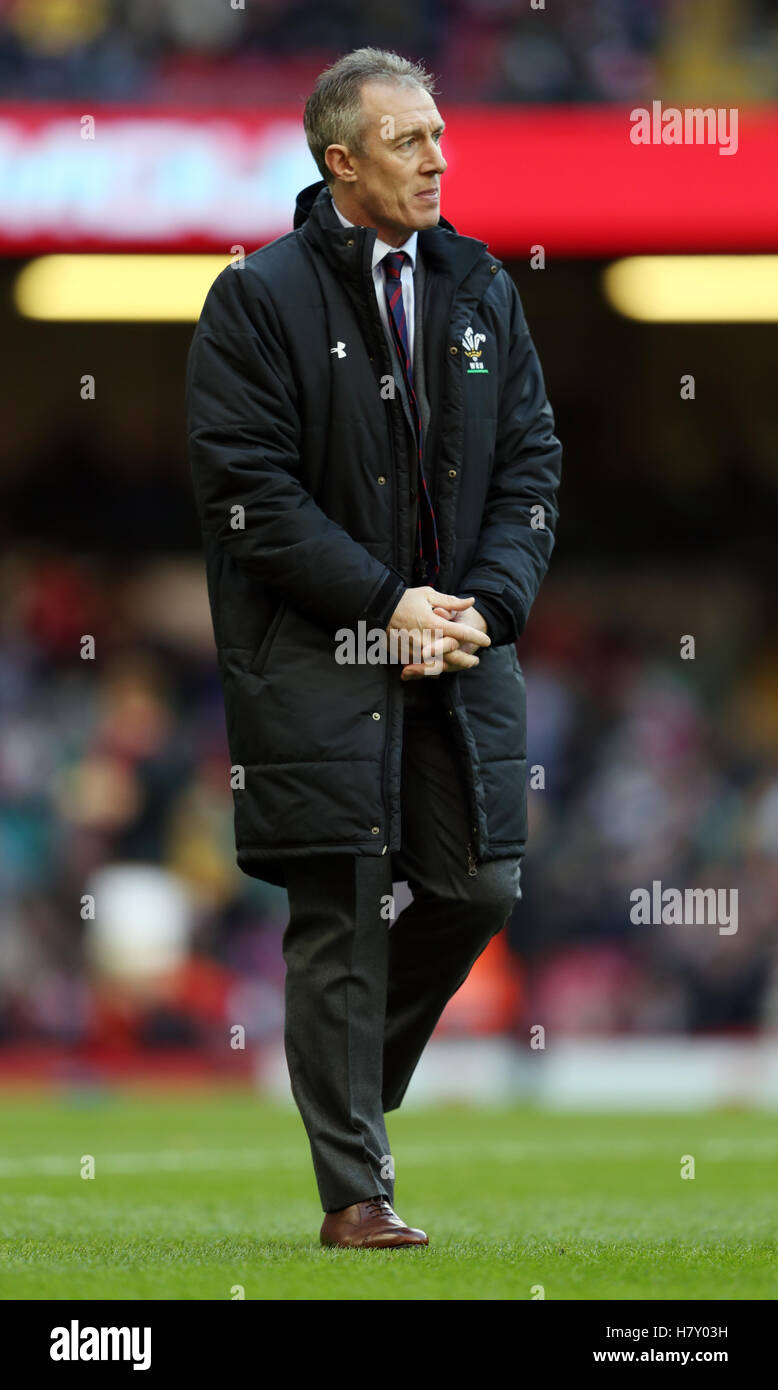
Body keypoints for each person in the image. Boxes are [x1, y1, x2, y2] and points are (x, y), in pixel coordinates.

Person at [185, 46, 562, 1248]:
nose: (439, 157)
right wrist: (382, 601)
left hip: (456, 642)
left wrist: (480, 611)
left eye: (441, 135)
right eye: (409, 141)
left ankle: (342, 1082)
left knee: (478, 884)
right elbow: (247, 494)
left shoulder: (482, 289)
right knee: (342, 906)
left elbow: (531, 468)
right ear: (341, 161)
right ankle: (356, 1196)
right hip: (313, 649)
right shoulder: (257, 297)